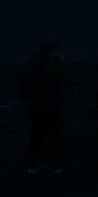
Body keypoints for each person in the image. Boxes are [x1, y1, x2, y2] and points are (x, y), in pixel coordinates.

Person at [24, 39, 64, 174]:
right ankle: (55, 166)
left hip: (37, 105)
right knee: (54, 137)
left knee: (36, 137)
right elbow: (61, 82)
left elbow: (27, 83)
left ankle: (32, 166)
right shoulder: (56, 63)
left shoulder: (34, 62)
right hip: (52, 105)